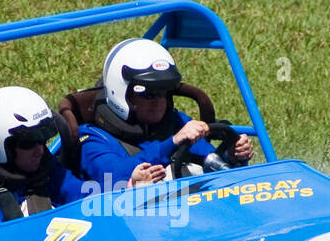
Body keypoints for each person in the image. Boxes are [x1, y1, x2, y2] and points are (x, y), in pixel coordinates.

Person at [77, 38, 253, 190]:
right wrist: (172, 143)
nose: (159, 101)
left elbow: (208, 159)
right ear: (121, 92)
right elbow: (112, 178)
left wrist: (233, 155)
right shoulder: (92, 137)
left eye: (164, 92)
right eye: (149, 93)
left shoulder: (174, 122)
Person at [0, 86, 86, 235]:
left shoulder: (45, 167)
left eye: (44, 140)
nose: (40, 151)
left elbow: (88, 199)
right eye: (29, 143)